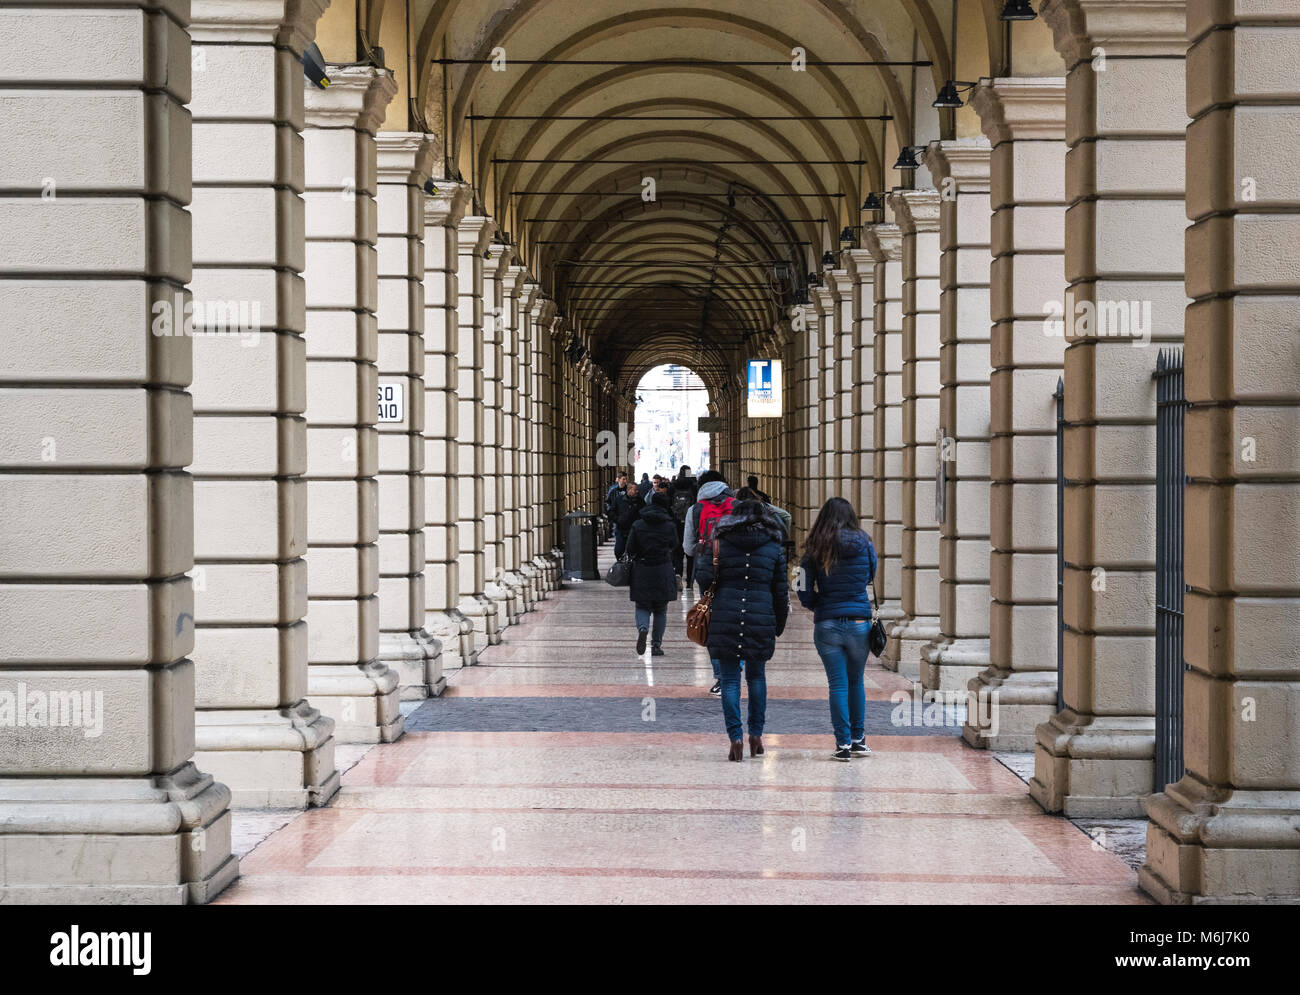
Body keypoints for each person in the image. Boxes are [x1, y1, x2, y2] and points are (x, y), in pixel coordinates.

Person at [707, 499, 789, 761]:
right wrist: (778, 623)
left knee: (730, 680)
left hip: (726, 616)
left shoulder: (721, 541)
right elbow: (780, 590)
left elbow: (707, 578)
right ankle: (756, 734)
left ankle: (735, 738)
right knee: (757, 677)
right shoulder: (774, 546)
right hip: (760, 615)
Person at [797, 497, 878, 762]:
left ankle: (842, 744)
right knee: (856, 681)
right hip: (858, 621)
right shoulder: (865, 542)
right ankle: (859, 740)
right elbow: (870, 574)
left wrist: (816, 604)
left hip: (827, 622)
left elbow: (801, 586)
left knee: (837, 684)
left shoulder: (814, 546)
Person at [682, 471, 734, 695]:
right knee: (735, 616)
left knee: (710, 620)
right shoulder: (738, 505)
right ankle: (736, 667)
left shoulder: (695, 510)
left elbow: (687, 547)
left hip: (707, 572)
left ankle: (721, 676)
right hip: (736, 569)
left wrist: (706, 552)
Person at [625, 491, 680, 656]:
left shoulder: (638, 524)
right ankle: (656, 645)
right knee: (661, 609)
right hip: (662, 569)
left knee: (642, 605)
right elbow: (675, 544)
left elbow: (629, 548)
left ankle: (643, 628)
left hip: (642, 569)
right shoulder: (669, 525)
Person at [669, 466, 699, 583]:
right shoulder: (693, 486)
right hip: (690, 521)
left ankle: (678, 574)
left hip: (676, 522)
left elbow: (669, 504)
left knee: (677, 551)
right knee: (690, 550)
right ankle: (690, 579)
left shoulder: (673, 486)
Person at [610, 475, 638, 559]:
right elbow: (611, 512)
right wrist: (618, 520)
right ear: (629, 490)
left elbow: (643, 512)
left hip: (634, 529)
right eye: (635, 490)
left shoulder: (639, 500)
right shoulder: (619, 500)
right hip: (621, 529)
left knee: (634, 550)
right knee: (619, 550)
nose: (637, 491)